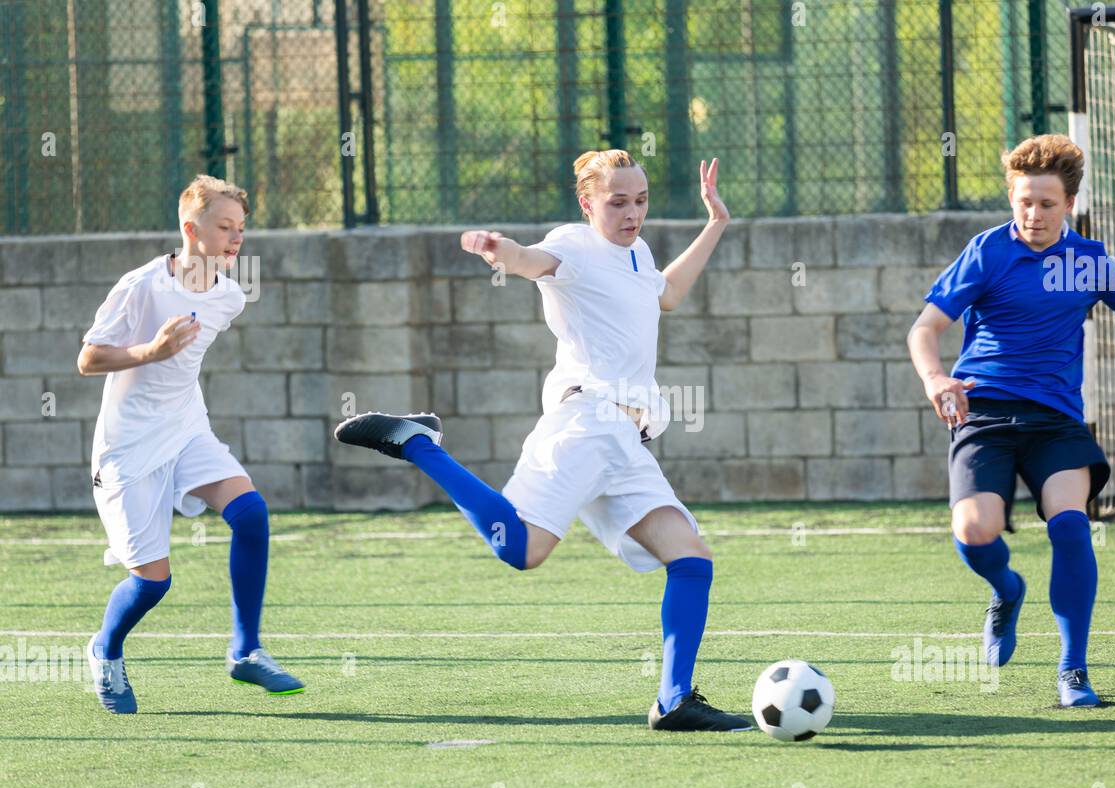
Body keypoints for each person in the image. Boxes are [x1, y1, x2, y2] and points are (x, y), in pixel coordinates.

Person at [335, 150, 748, 731]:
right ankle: (418, 443)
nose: (632, 213)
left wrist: (716, 223)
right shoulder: (573, 245)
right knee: (522, 550)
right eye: (617, 202)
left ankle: (674, 700)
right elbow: (530, 260)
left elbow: (667, 295)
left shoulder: (638, 253)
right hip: (586, 424)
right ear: (587, 204)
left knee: (691, 557)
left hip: (627, 441)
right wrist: (498, 249)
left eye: (640, 200)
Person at [908, 135, 1115, 706]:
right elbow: (925, 328)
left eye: (1047, 204)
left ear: (1069, 204)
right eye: (1024, 202)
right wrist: (935, 378)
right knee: (974, 531)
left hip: (1055, 420)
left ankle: (1073, 670)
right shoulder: (987, 252)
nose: (1033, 214)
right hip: (983, 412)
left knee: (1070, 525)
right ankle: (1006, 589)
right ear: (1012, 199)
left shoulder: (1086, 261)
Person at [78, 175, 303, 714]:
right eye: (225, 227)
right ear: (191, 229)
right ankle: (105, 650)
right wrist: (148, 352)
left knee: (251, 514)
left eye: (241, 228)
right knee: (152, 583)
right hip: (128, 447)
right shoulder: (141, 285)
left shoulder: (229, 296)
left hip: (186, 430)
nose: (236, 238)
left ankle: (246, 650)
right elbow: (88, 359)